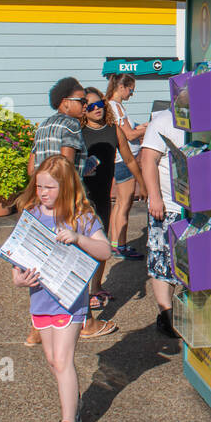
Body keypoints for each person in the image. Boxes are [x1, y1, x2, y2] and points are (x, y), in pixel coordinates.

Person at [10, 155, 112, 422]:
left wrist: (78, 238)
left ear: (66, 186)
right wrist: (17, 279)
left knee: (63, 360)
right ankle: (74, 407)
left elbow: (105, 250)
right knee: (53, 360)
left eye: (50, 188)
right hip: (40, 298)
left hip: (69, 301)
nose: (43, 192)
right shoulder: (31, 213)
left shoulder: (81, 216)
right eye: (39, 186)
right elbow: (18, 253)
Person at [25, 77, 93, 347]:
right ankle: (80, 322)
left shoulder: (44, 125)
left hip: (40, 200)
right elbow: (65, 164)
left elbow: (32, 167)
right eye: (81, 101)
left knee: (40, 261)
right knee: (71, 261)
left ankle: (37, 327)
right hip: (65, 201)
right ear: (65, 103)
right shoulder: (71, 124)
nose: (85, 106)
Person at [79, 85, 143, 334]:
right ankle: (83, 301)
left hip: (104, 198)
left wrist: (141, 183)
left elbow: (128, 158)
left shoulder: (113, 130)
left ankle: (96, 288)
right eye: (91, 106)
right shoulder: (78, 132)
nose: (97, 109)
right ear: (83, 109)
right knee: (85, 248)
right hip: (83, 200)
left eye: (100, 105)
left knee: (102, 246)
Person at [139, 105, 185, 338]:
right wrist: (154, 198)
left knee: (185, 262)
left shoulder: (207, 120)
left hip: (194, 209)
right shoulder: (163, 120)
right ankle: (166, 315)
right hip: (167, 206)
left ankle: (183, 312)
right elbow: (147, 160)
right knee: (162, 261)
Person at [105, 74, 148, 260]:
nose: (132, 94)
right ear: (121, 87)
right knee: (125, 205)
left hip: (118, 161)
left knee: (119, 206)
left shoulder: (110, 105)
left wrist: (141, 126)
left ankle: (115, 244)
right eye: (131, 90)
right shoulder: (115, 107)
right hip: (124, 161)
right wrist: (151, 128)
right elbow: (129, 135)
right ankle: (121, 247)